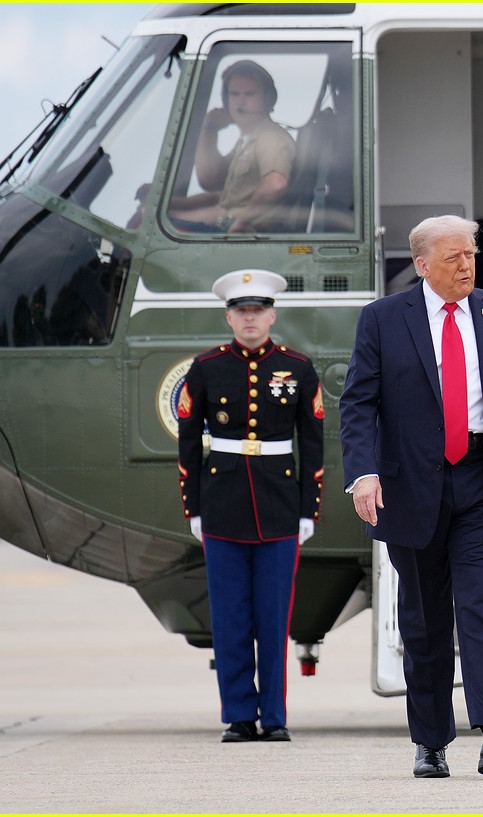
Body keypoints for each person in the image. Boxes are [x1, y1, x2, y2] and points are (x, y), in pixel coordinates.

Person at [339, 215, 483, 778]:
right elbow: (357, 403)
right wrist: (364, 473)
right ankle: (430, 741)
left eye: (471, 255)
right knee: (426, 620)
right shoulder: (383, 319)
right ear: (422, 265)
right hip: (410, 484)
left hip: (482, 478)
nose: (466, 266)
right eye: (453, 257)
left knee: (481, 603)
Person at [176, 268, 324, 743]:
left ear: (272, 314)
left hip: (279, 507)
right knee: (231, 618)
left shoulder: (298, 367)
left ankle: (275, 717)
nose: (250, 319)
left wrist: (308, 510)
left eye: (257, 310)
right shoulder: (205, 368)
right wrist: (193, 508)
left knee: (273, 618)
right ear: (229, 318)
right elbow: (187, 443)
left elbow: (314, 444)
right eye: (241, 312)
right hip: (222, 506)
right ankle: (239, 716)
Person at [170, 60, 295, 233]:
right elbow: (212, 182)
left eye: (249, 94)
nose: (240, 102)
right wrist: (209, 129)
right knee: (153, 215)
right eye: (234, 94)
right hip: (221, 224)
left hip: (234, 232)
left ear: (268, 99)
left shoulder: (271, 138)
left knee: (151, 222)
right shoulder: (247, 141)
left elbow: (276, 184)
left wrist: (242, 221)